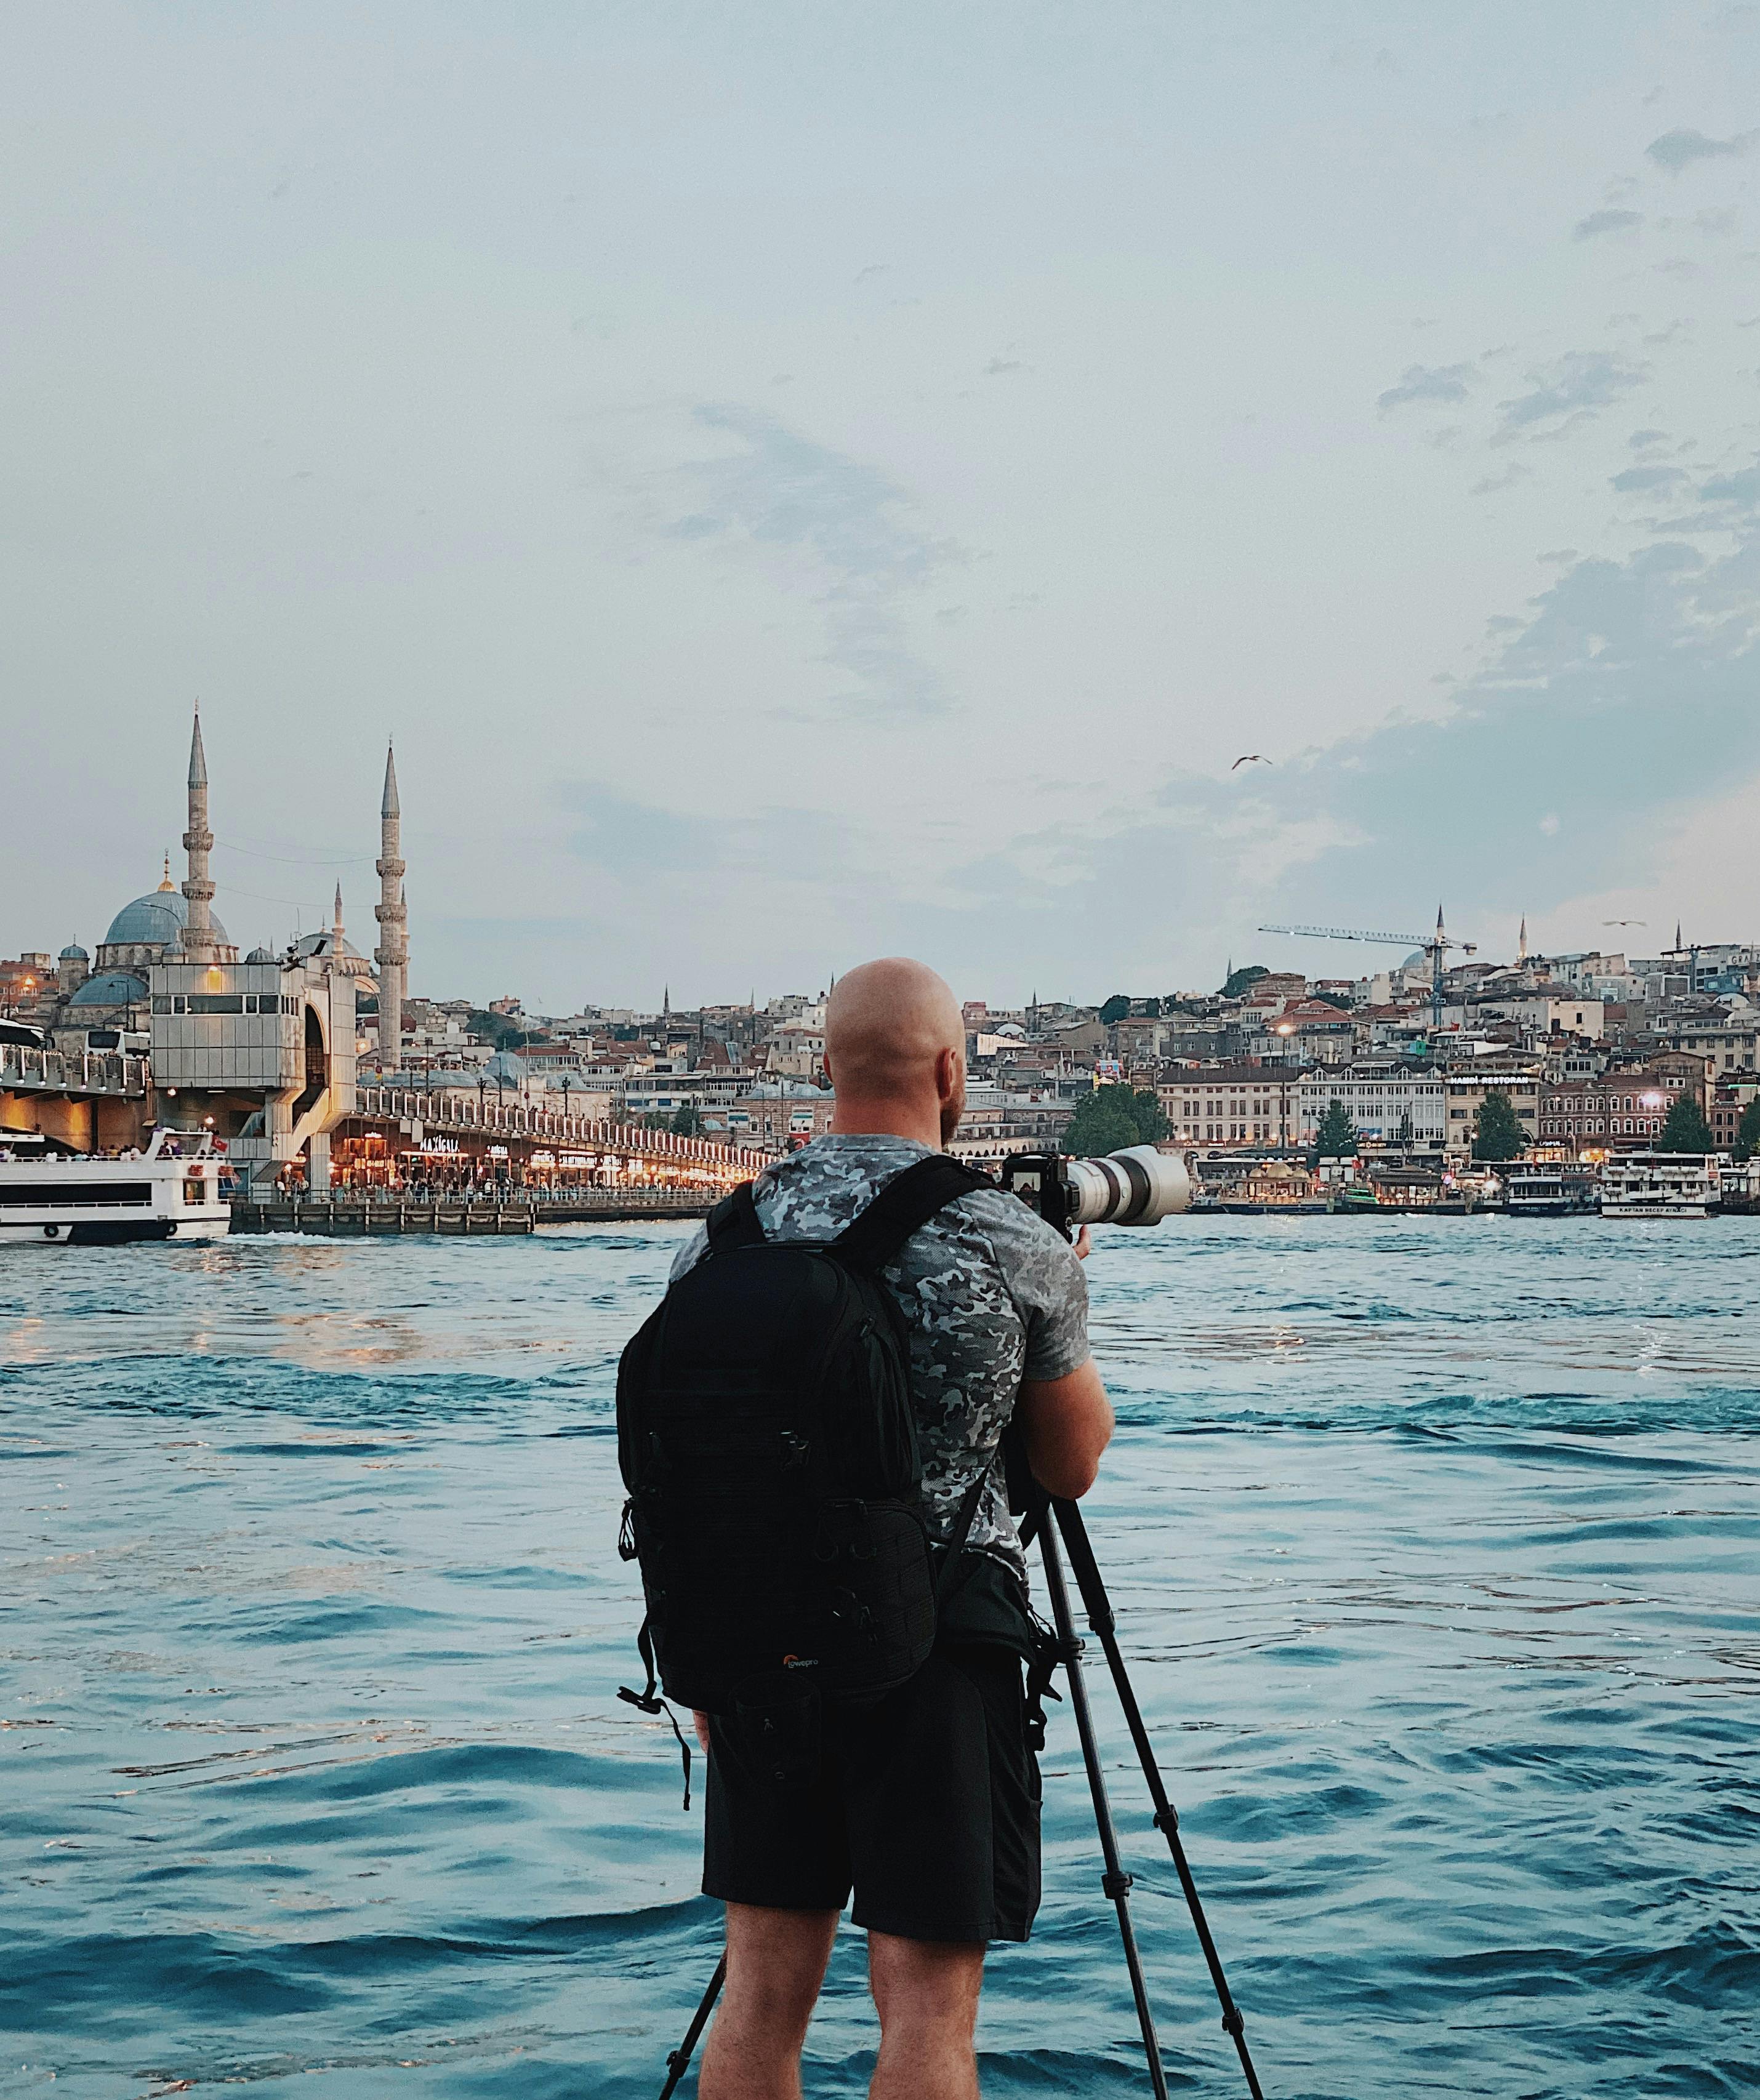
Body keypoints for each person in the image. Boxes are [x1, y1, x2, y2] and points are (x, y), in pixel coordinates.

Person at [667, 957, 1113, 2100]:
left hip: (759, 1650)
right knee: (924, 2011)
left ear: (823, 1069)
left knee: (762, 1998)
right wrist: (1064, 1289)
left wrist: (704, 1666)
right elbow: (1069, 1465)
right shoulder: (1008, 1239)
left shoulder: (721, 1242)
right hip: (939, 1645)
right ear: (953, 1072)